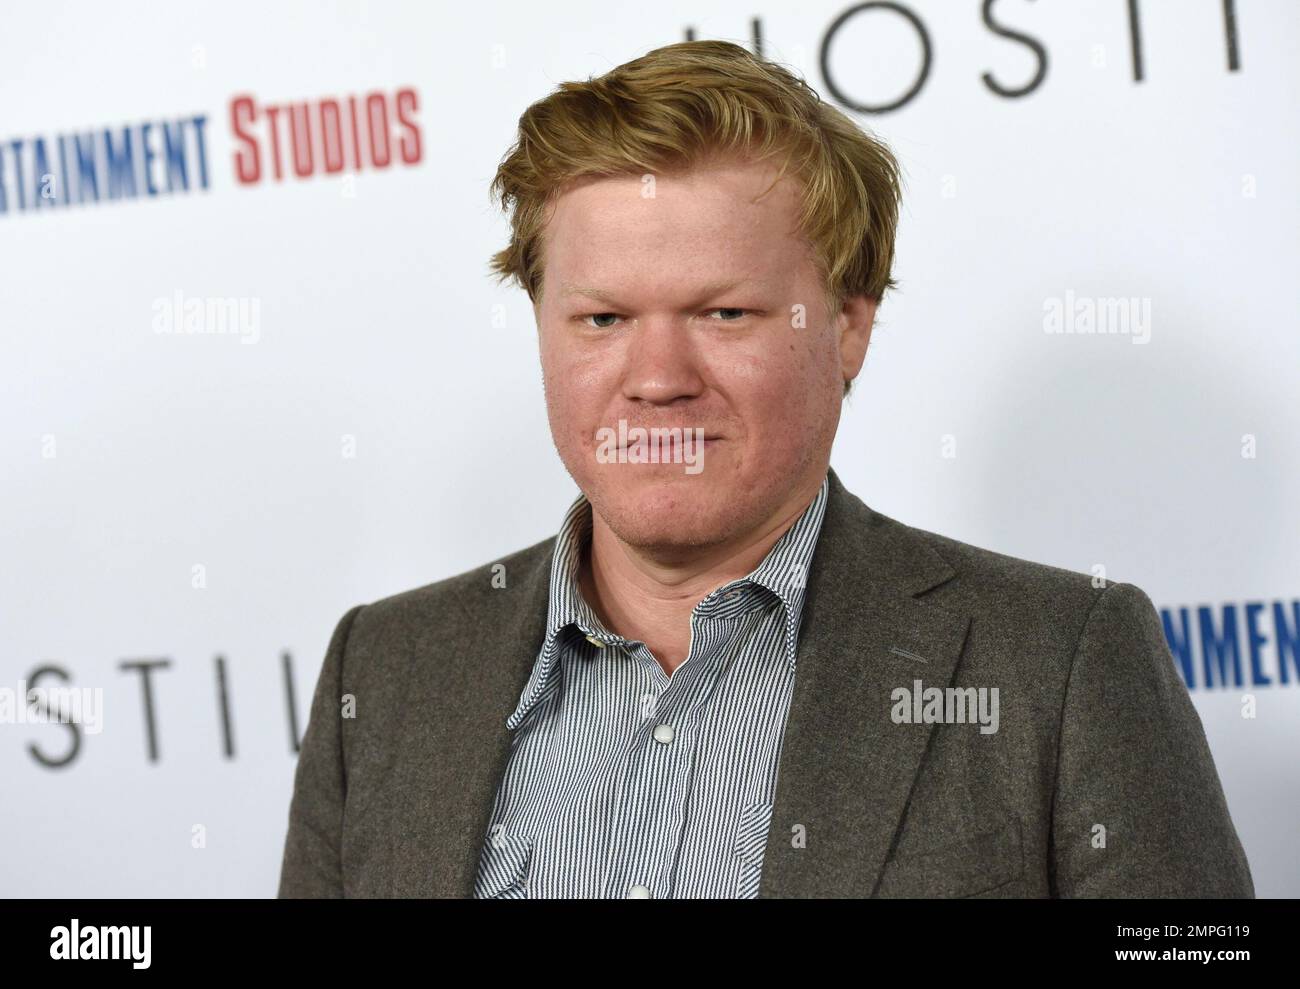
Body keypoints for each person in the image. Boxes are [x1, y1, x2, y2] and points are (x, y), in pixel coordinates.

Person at [277, 39, 1253, 899]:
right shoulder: (387, 670)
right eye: (602, 319)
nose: (655, 379)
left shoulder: (1058, 664)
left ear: (848, 328)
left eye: (723, 313)